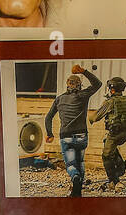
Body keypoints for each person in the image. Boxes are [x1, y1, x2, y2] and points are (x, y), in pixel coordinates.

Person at [43, 64, 102, 197]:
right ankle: (77, 192)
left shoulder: (59, 99)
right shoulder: (83, 95)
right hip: (82, 136)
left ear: (67, 85)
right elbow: (98, 84)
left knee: (70, 164)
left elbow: (48, 117)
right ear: (80, 85)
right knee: (80, 162)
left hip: (66, 136)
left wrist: (50, 134)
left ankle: (75, 177)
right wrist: (84, 71)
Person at [92, 76, 126, 186]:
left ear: (112, 89)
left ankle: (113, 179)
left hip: (114, 134)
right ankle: (119, 167)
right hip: (125, 134)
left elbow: (94, 118)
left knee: (106, 156)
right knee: (108, 145)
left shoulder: (110, 102)